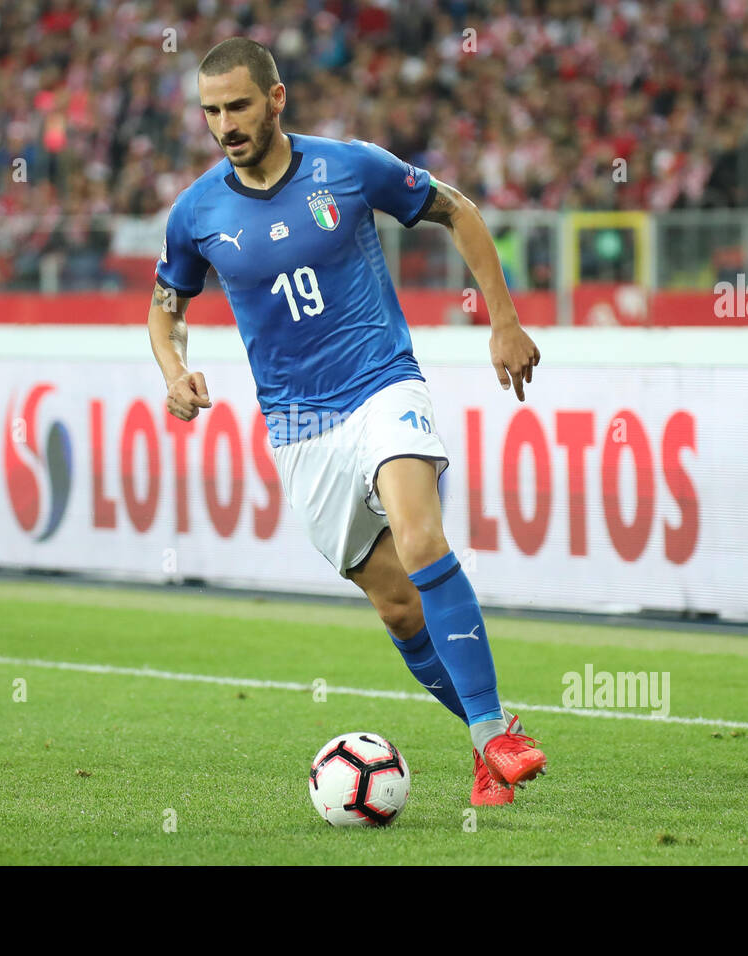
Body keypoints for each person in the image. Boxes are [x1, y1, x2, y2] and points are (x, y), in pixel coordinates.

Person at [147, 38, 546, 807]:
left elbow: (456, 210)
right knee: (399, 607)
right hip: (299, 426)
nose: (225, 124)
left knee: (423, 536)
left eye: (237, 106)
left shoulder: (350, 166)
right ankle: (482, 744)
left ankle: (495, 731)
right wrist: (175, 375)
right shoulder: (195, 213)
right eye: (211, 111)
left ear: (275, 99)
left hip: (381, 384)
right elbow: (166, 314)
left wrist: (503, 321)